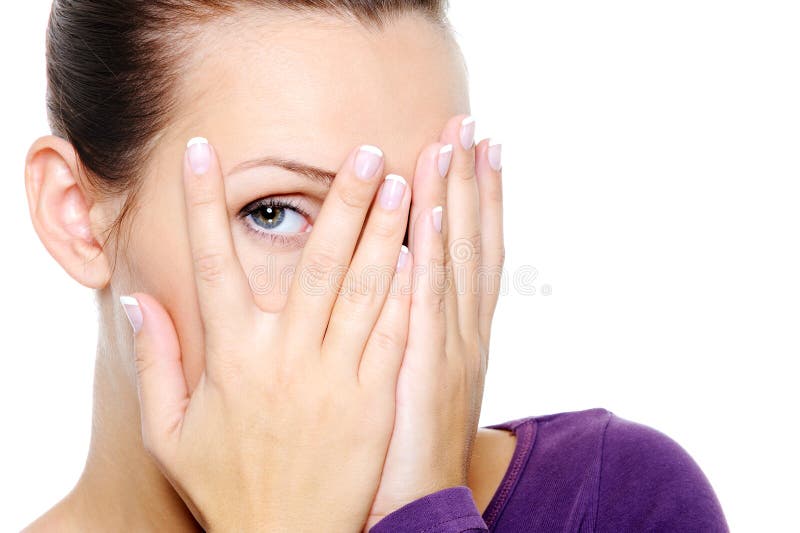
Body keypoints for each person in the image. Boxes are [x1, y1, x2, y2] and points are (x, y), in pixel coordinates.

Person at [23, 1, 728, 531]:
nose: (383, 292)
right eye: (274, 212)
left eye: (419, 217)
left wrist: (422, 506)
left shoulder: (617, 502)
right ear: (76, 216)